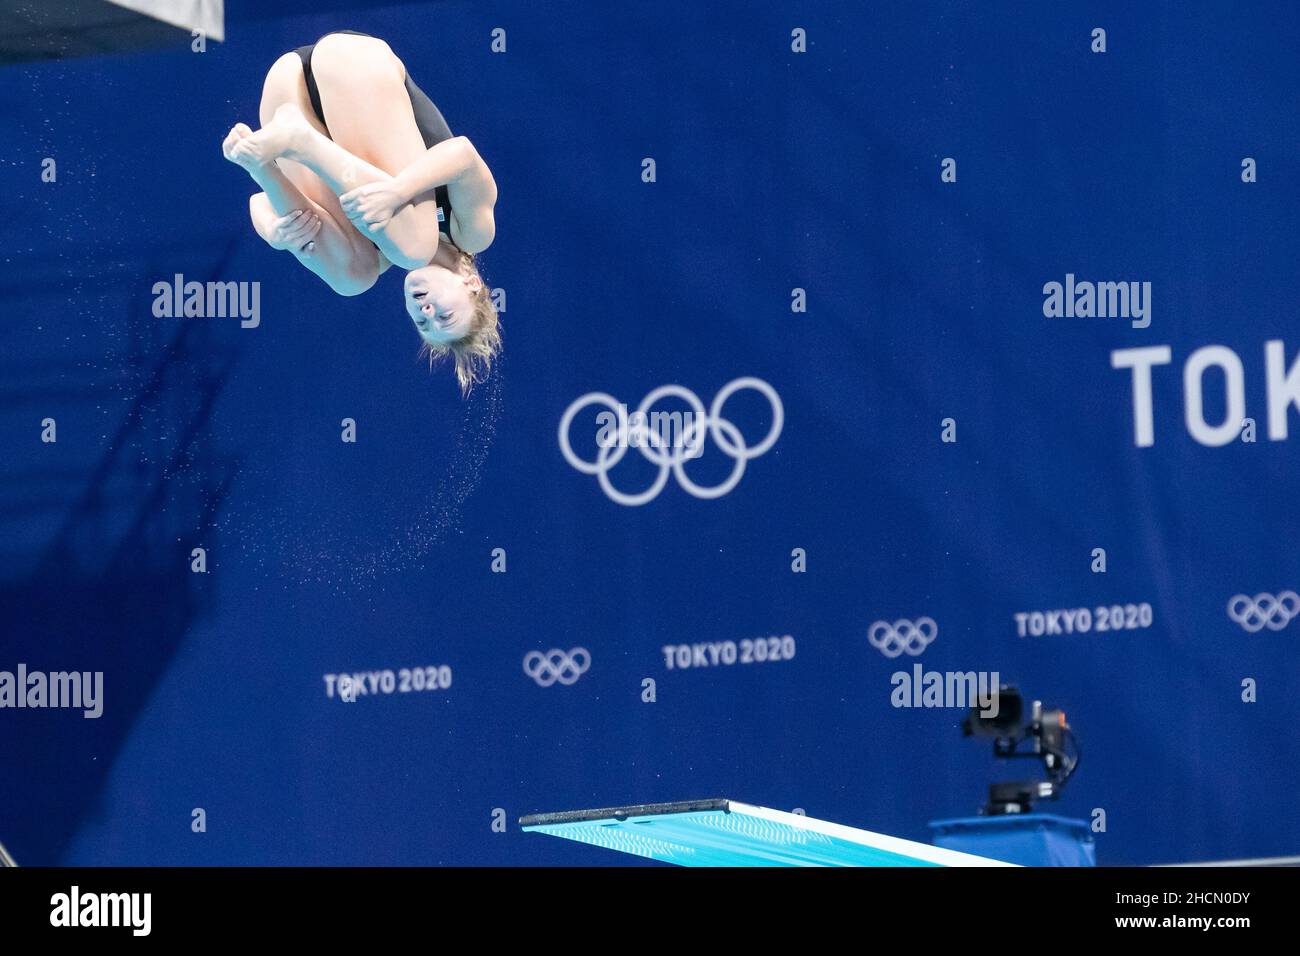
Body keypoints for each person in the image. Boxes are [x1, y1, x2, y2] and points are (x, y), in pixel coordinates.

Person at [222, 30, 500, 393]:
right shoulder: (471, 233)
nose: (425, 313)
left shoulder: (376, 255)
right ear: (472, 284)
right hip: (352, 68)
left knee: (352, 279)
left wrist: (275, 232)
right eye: (445, 316)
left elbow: (258, 203)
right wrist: (400, 190)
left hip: (288, 85)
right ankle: (299, 142)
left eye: (423, 324)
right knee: (413, 247)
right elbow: (463, 154)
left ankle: (263, 163)